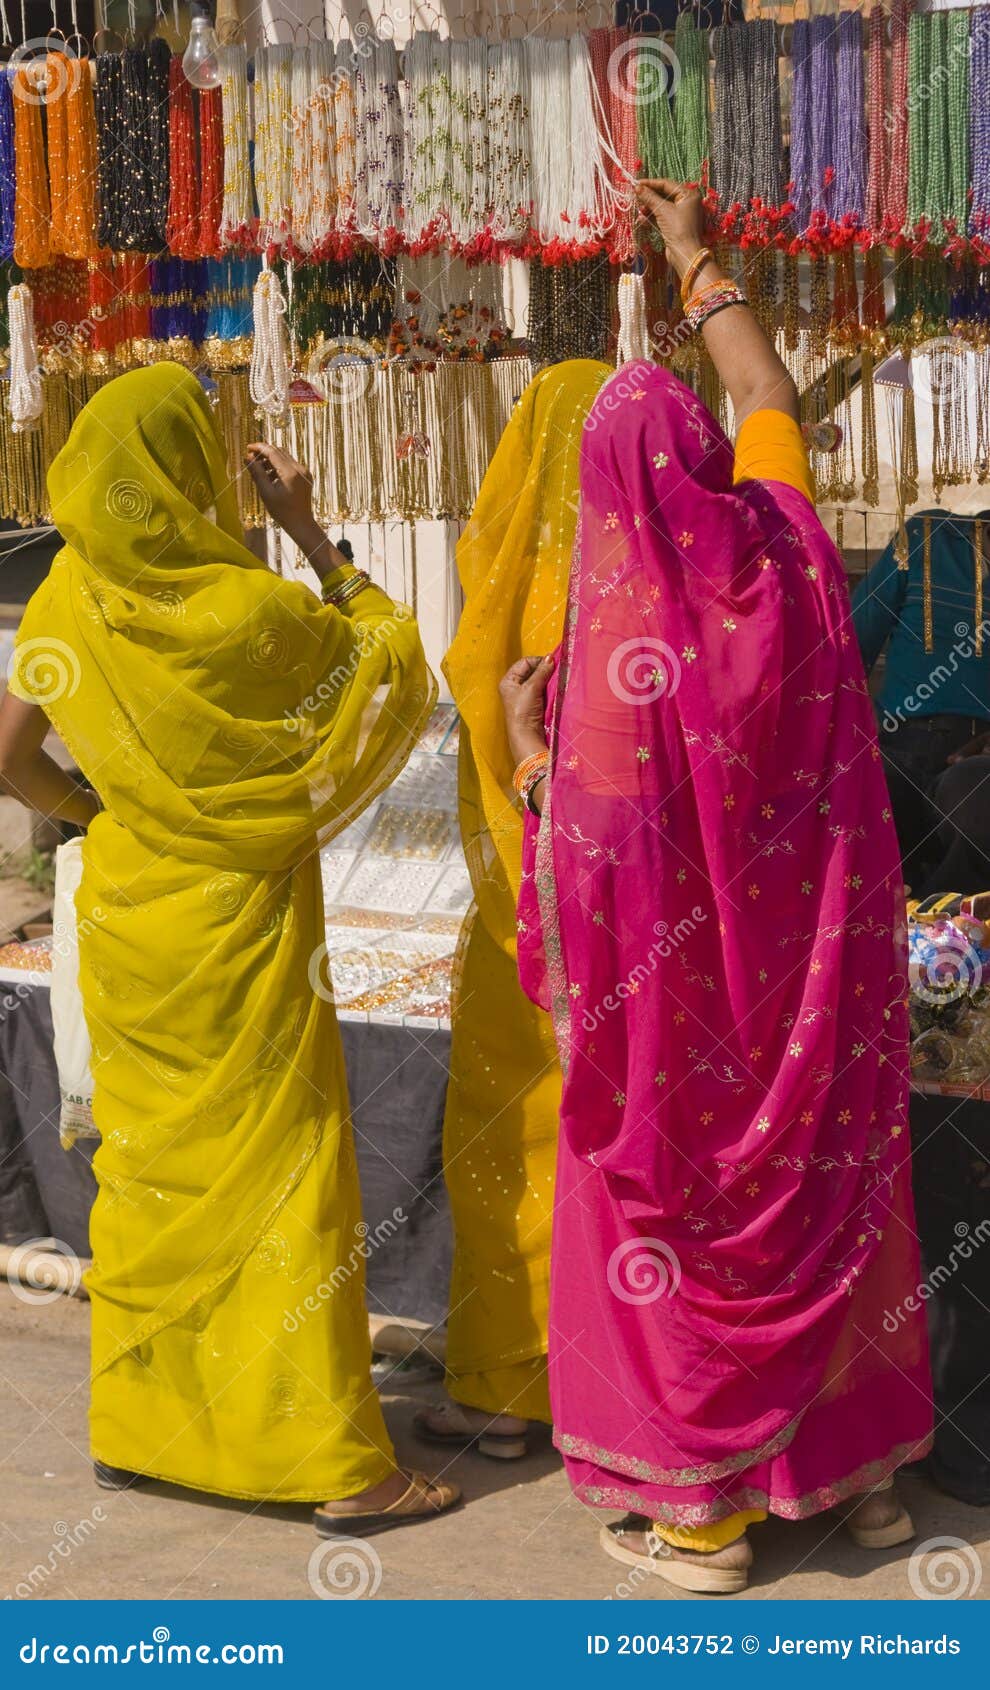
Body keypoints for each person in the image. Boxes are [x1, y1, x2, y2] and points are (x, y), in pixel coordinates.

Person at [499, 180, 934, 1593]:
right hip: (808, 1007)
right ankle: (856, 1477)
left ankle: (700, 1515)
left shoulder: (610, 669)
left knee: (667, 1226)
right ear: (704, 465)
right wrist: (693, 254)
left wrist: (519, 758)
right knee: (831, 1193)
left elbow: (588, 875)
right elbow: (770, 391)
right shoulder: (796, 556)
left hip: (685, 1041)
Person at [0, 364, 460, 1538]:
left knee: (154, 1171)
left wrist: (94, 810)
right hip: (243, 923)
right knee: (283, 1173)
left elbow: (6, 755)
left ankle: (148, 1430)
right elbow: (386, 660)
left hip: (130, 914)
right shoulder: (248, 608)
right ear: (189, 474)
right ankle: (341, 1467)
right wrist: (308, 526)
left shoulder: (64, 599)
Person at [418, 361, 611, 1461]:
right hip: (632, 920)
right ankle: (602, 1381)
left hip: (517, 908)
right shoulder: (660, 575)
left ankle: (498, 1388)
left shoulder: (508, 577)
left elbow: (473, 697)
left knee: (507, 1136)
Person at [852, 510, 990, 897]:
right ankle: (889, 927)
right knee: (861, 787)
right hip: (898, 741)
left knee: (975, 796)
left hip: (977, 761)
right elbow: (848, 647)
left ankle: (951, 935)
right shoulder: (928, 536)